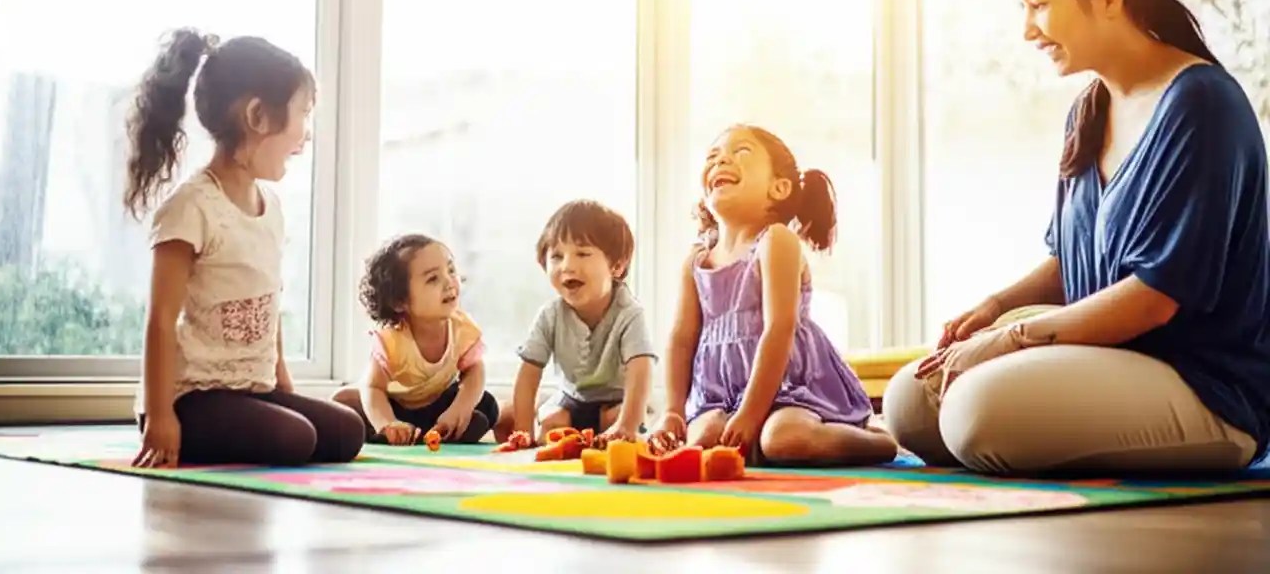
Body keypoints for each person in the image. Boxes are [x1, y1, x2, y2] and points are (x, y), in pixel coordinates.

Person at [884, 0, 1270, 474]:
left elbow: (1153, 298)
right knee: (911, 402)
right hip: (1111, 361)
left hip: (1206, 388)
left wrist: (1011, 338)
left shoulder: (1202, 105)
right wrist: (994, 308)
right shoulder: (1089, 111)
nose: (1027, 30)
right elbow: (1070, 262)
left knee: (973, 413)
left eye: (1040, 4)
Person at [128, 29, 364, 468]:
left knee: (346, 431)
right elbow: (160, 320)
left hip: (250, 389)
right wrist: (160, 415)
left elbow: (267, 301)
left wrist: (283, 384)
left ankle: (271, 416)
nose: (305, 136)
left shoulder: (270, 207)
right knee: (294, 439)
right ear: (258, 116)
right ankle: (175, 421)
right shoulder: (192, 206)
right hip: (192, 397)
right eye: (302, 115)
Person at [652, 125, 897, 465]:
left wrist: (751, 414)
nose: (721, 158)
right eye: (713, 156)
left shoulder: (776, 240)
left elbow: (779, 328)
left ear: (778, 188)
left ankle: (877, 439)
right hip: (719, 397)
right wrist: (673, 412)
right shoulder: (696, 260)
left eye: (741, 152)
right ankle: (752, 443)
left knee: (783, 439)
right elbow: (681, 339)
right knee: (703, 441)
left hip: (791, 391)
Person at [495, 200, 654, 445]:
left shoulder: (630, 313)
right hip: (570, 401)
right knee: (548, 425)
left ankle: (613, 432)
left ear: (617, 266)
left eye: (582, 253)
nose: (567, 266)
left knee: (627, 426)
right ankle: (579, 439)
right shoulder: (550, 315)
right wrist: (523, 433)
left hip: (615, 403)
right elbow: (528, 376)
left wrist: (626, 425)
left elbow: (641, 369)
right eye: (556, 256)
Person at [332, 234, 498, 444]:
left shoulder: (462, 328)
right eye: (432, 279)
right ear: (400, 302)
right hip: (395, 405)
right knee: (345, 403)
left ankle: (445, 427)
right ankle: (388, 433)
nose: (449, 281)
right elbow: (374, 388)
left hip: (438, 404)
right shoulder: (391, 341)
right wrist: (387, 422)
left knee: (488, 405)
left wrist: (459, 409)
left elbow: (475, 371)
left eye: (451, 270)